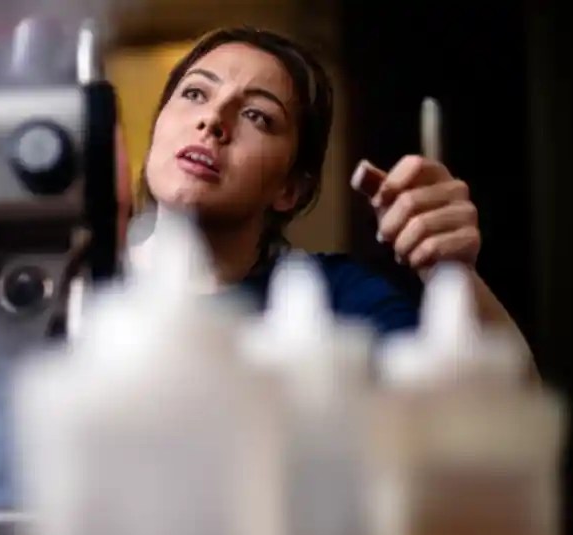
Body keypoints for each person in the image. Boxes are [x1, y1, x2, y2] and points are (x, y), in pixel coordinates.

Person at [131, 26, 524, 341]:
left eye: (257, 116)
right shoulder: (80, 276)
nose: (214, 118)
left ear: (290, 189)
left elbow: (506, 422)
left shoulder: (334, 299)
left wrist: (452, 276)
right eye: (195, 93)